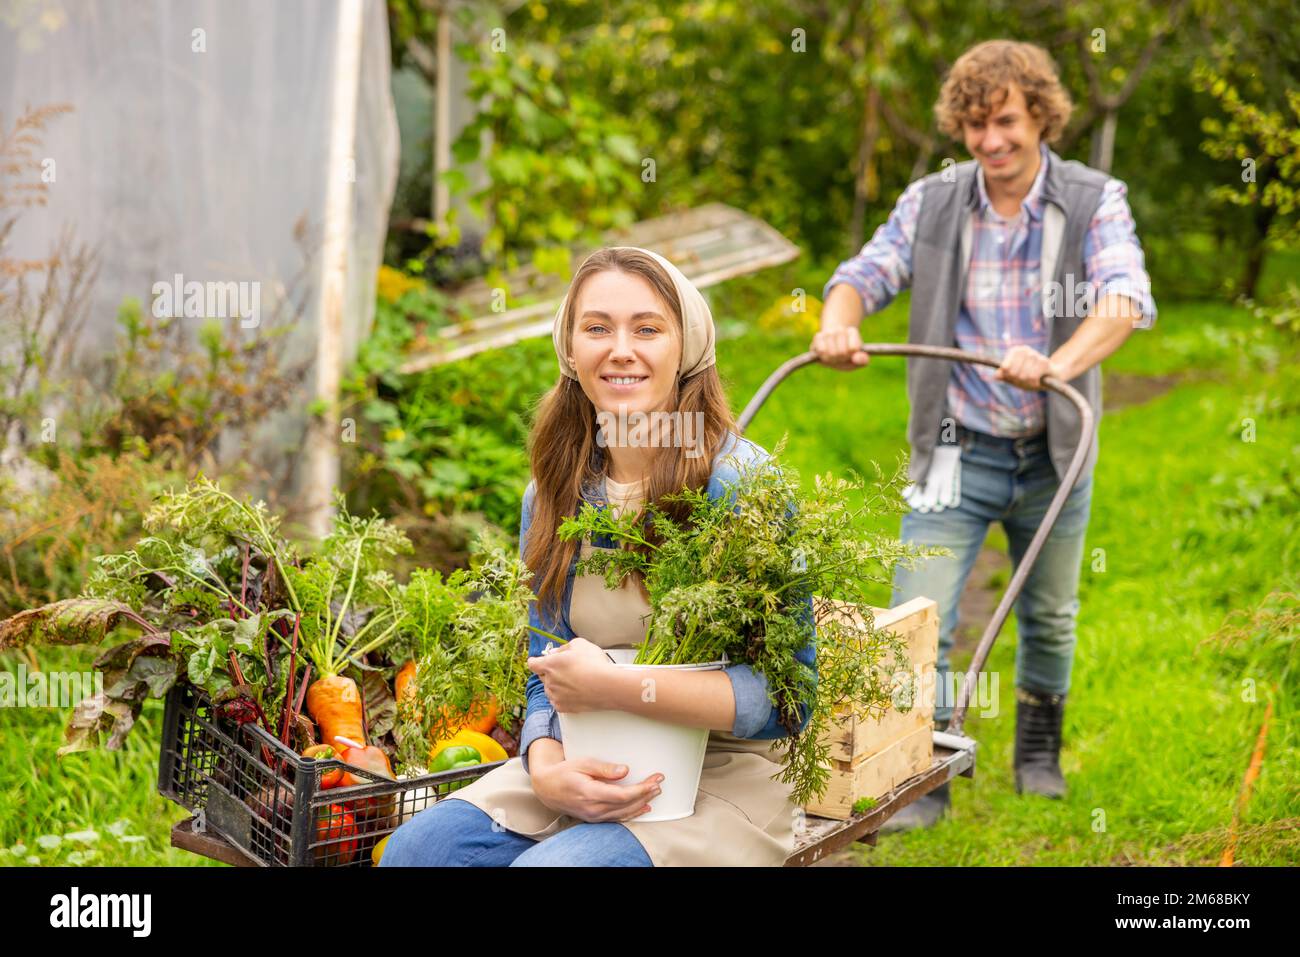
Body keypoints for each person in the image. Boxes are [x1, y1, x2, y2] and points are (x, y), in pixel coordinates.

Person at [812, 40, 1156, 832]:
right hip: (953, 446)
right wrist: (837, 324)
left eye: (1004, 120)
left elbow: (1125, 297)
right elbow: (864, 273)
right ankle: (917, 784)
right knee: (918, 612)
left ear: (1040, 114)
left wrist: (1057, 364)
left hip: (1053, 452)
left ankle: (1038, 757)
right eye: (973, 125)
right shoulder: (935, 200)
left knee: (1050, 615)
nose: (990, 140)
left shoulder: (1095, 199)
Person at [381, 246, 817, 866]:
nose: (620, 349)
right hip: (584, 752)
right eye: (596, 328)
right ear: (570, 349)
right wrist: (546, 764)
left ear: (685, 348)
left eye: (647, 328)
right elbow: (546, 660)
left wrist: (618, 688)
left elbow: (788, 697)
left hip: (717, 774)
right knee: (416, 854)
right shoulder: (555, 491)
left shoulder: (740, 489)